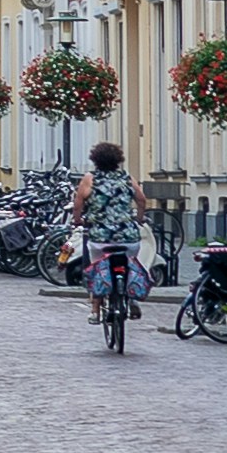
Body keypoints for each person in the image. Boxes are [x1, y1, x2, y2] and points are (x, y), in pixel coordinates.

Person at [69, 138, 145, 333]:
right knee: (131, 262)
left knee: (97, 269)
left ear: (95, 160)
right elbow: (141, 199)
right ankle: (133, 298)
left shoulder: (90, 179)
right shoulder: (127, 178)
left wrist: (77, 220)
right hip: (128, 235)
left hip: (100, 237)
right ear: (118, 160)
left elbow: (78, 203)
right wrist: (139, 218)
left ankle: (95, 310)